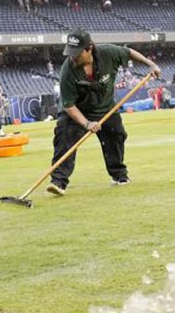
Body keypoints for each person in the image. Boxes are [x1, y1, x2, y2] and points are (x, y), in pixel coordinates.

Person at [46, 29, 160, 196]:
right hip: (77, 110)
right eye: (70, 53)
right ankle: (58, 181)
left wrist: (150, 64)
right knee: (64, 136)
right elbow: (69, 105)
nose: (73, 57)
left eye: (77, 53)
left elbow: (129, 52)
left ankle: (119, 175)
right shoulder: (68, 70)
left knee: (116, 135)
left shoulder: (109, 53)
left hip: (105, 107)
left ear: (89, 49)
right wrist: (86, 123)